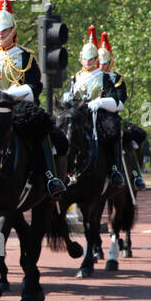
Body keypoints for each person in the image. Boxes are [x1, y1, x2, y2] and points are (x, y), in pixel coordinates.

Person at [0, 0, 65, 198]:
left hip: (16, 106)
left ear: (13, 30)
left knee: (40, 130)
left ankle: (49, 176)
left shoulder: (25, 56)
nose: (1, 34)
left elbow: (35, 86)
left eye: (5, 30)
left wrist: (9, 94)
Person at [61, 25, 125, 187]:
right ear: (81, 58)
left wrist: (100, 102)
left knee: (112, 131)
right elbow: (70, 95)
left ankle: (114, 169)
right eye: (85, 59)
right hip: (78, 114)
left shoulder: (104, 78)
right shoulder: (75, 77)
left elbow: (116, 102)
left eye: (91, 59)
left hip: (98, 115)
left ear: (96, 59)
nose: (88, 62)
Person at [98, 32, 145, 190]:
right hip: (88, 116)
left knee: (123, 136)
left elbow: (120, 99)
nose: (101, 66)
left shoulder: (116, 79)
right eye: (98, 62)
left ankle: (131, 173)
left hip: (109, 116)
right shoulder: (88, 77)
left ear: (109, 62)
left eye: (104, 63)